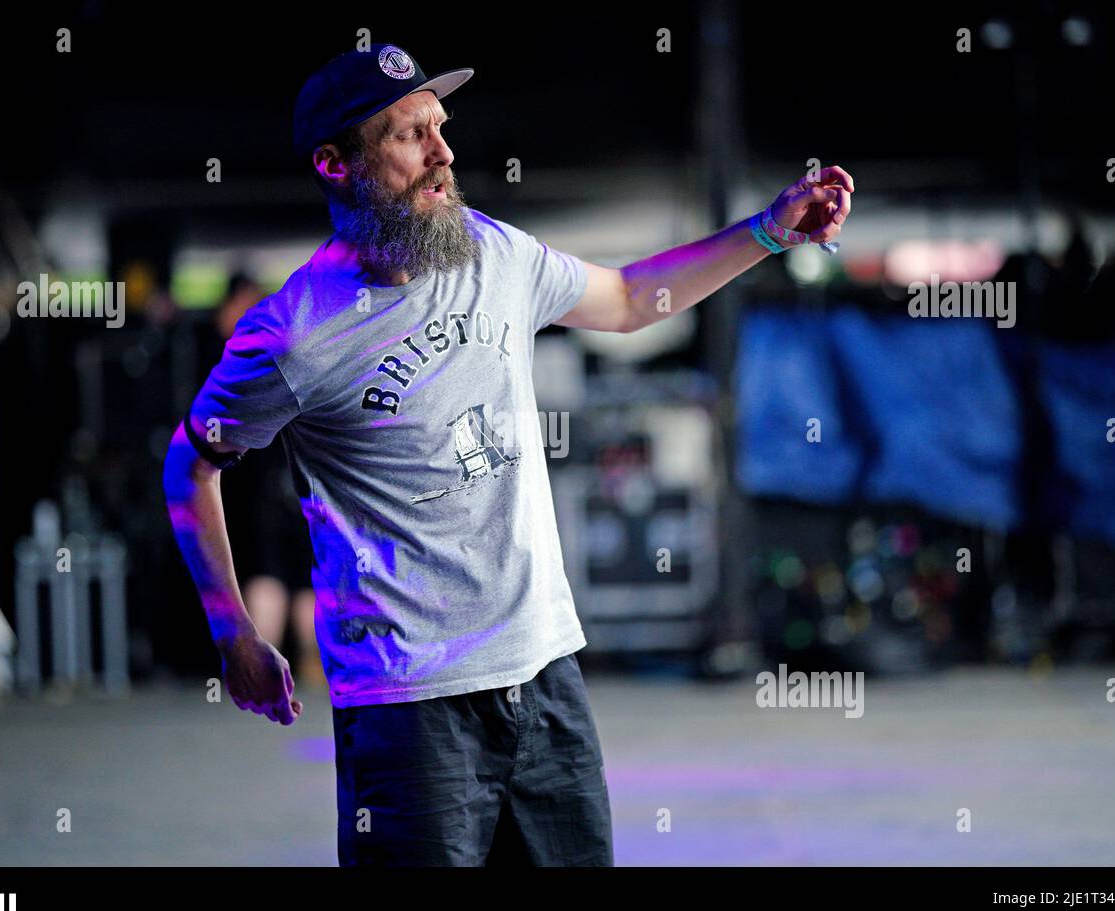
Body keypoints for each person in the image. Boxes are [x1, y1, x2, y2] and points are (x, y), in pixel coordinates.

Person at [162, 42, 852, 866]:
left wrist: (768, 232)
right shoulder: (294, 336)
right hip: (409, 704)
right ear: (335, 163)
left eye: (441, 126)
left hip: (545, 674)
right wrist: (232, 629)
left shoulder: (492, 252)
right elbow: (189, 464)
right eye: (409, 134)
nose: (443, 152)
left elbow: (632, 299)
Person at [208, 273, 325, 691]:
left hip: (262, 483)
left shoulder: (232, 357)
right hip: (285, 478)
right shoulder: (285, 344)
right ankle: (289, 663)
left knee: (278, 574)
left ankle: (271, 664)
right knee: (291, 575)